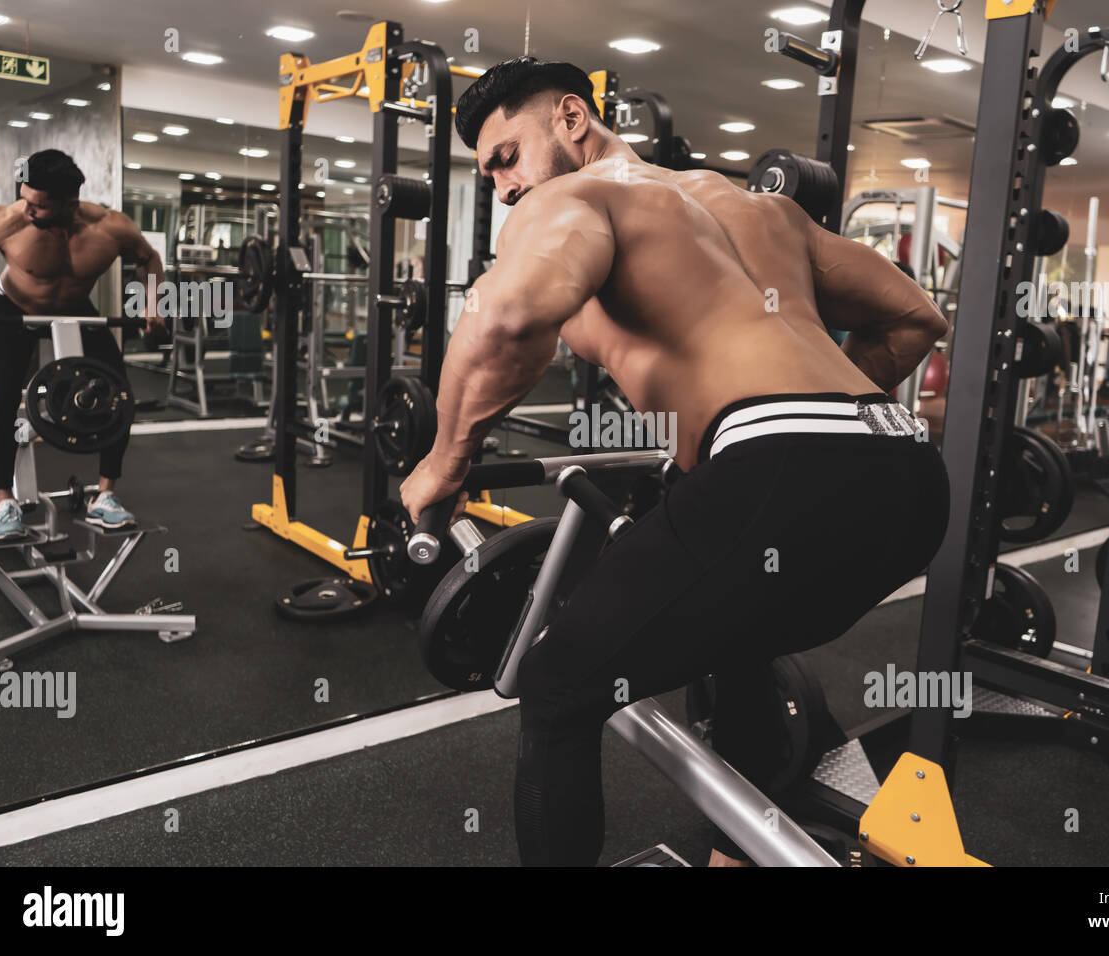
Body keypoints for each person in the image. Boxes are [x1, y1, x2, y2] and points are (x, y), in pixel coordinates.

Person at [398, 57, 952, 866]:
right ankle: (740, 852)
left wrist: (442, 467)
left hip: (780, 476)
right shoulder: (758, 206)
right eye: (488, 176)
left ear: (572, 119)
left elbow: (508, 322)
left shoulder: (579, 197)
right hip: (907, 478)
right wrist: (822, 432)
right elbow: (915, 316)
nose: (504, 187)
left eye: (506, 156)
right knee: (736, 636)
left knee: (556, 689)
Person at [0, 149, 163, 539]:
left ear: (70, 202)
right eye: (24, 198)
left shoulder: (111, 228)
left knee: (117, 393)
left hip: (74, 309)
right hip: (12, 307)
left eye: (38, 206)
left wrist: (153, 304)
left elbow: (149, 258)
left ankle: (105, 497)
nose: (27, 210)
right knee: (5, 396)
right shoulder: (7, 220)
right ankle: (4, 503)